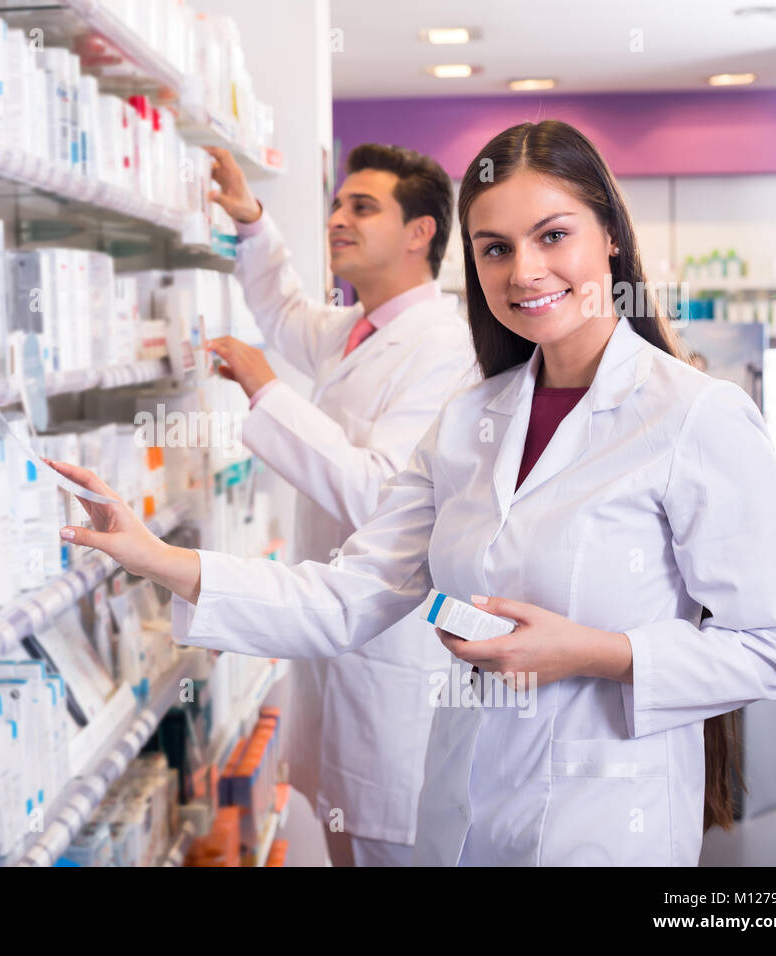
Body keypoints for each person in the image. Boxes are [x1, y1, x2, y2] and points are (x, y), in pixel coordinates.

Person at [46, 120, 776, 866]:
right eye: (495, 248)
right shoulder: (470, 418)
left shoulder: (693, 416)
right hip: (459, 813)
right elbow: (352, 594)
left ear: (609, 234)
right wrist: (156, 556)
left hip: (608, 823)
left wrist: (593, 653)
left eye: (554, 235)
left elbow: (774, 644)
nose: (524, 271)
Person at [199, 143, 477, 867]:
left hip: (386, 653)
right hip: (334, 645)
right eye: (336, 204)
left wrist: (268, 393)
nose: (337, 220)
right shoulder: (357, 329)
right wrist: (253, 222)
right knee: (345, 838)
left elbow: (383, 493)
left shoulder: (442, 346)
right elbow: (286, 310)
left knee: (387, 847)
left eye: (363, 207)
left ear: (421, 232)